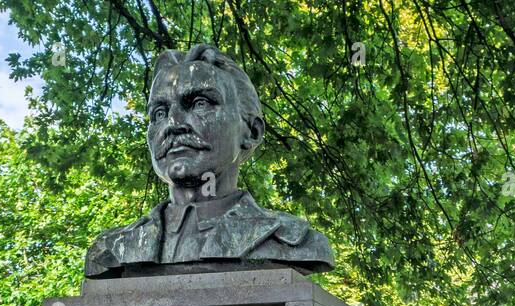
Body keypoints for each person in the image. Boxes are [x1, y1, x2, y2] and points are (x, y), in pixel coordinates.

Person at [85, 45, 333, 278]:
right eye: (159, 113)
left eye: (199, 104)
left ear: (251, 132)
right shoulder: (111, 250)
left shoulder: (293, 241)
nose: (173, 123)